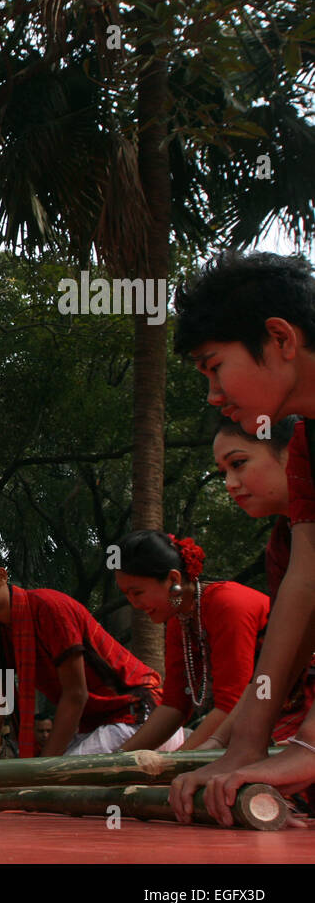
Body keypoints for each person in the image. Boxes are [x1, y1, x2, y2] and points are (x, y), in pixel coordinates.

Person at [170, 253, 315, 823]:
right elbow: (305, 584)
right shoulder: (305, 445)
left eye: (214, 367)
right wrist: (245, 744)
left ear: (278, 338)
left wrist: (307, 745)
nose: (212, 394)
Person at [0, 535, 163, 757]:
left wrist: (44, 769)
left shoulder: (49, 607)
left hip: (139, 715)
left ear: (1, 576)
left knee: (47, 787)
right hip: (94, 726)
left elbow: (76, 694)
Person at [113, 531, 267, 752]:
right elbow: (174, 706)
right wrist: (120, 758)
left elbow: (232, 704)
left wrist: (176, 765)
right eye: (127, 595)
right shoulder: (180, 620)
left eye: (137, 592)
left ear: (174, 579)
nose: (134, 604)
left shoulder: (228, 605)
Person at [212, 415, 315, 741]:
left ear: (294, 450)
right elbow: (280, 664)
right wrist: (220, 741)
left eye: (238, 463)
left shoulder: (224, 600)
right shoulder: (280, 546)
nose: (229, 484)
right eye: (223, 473)